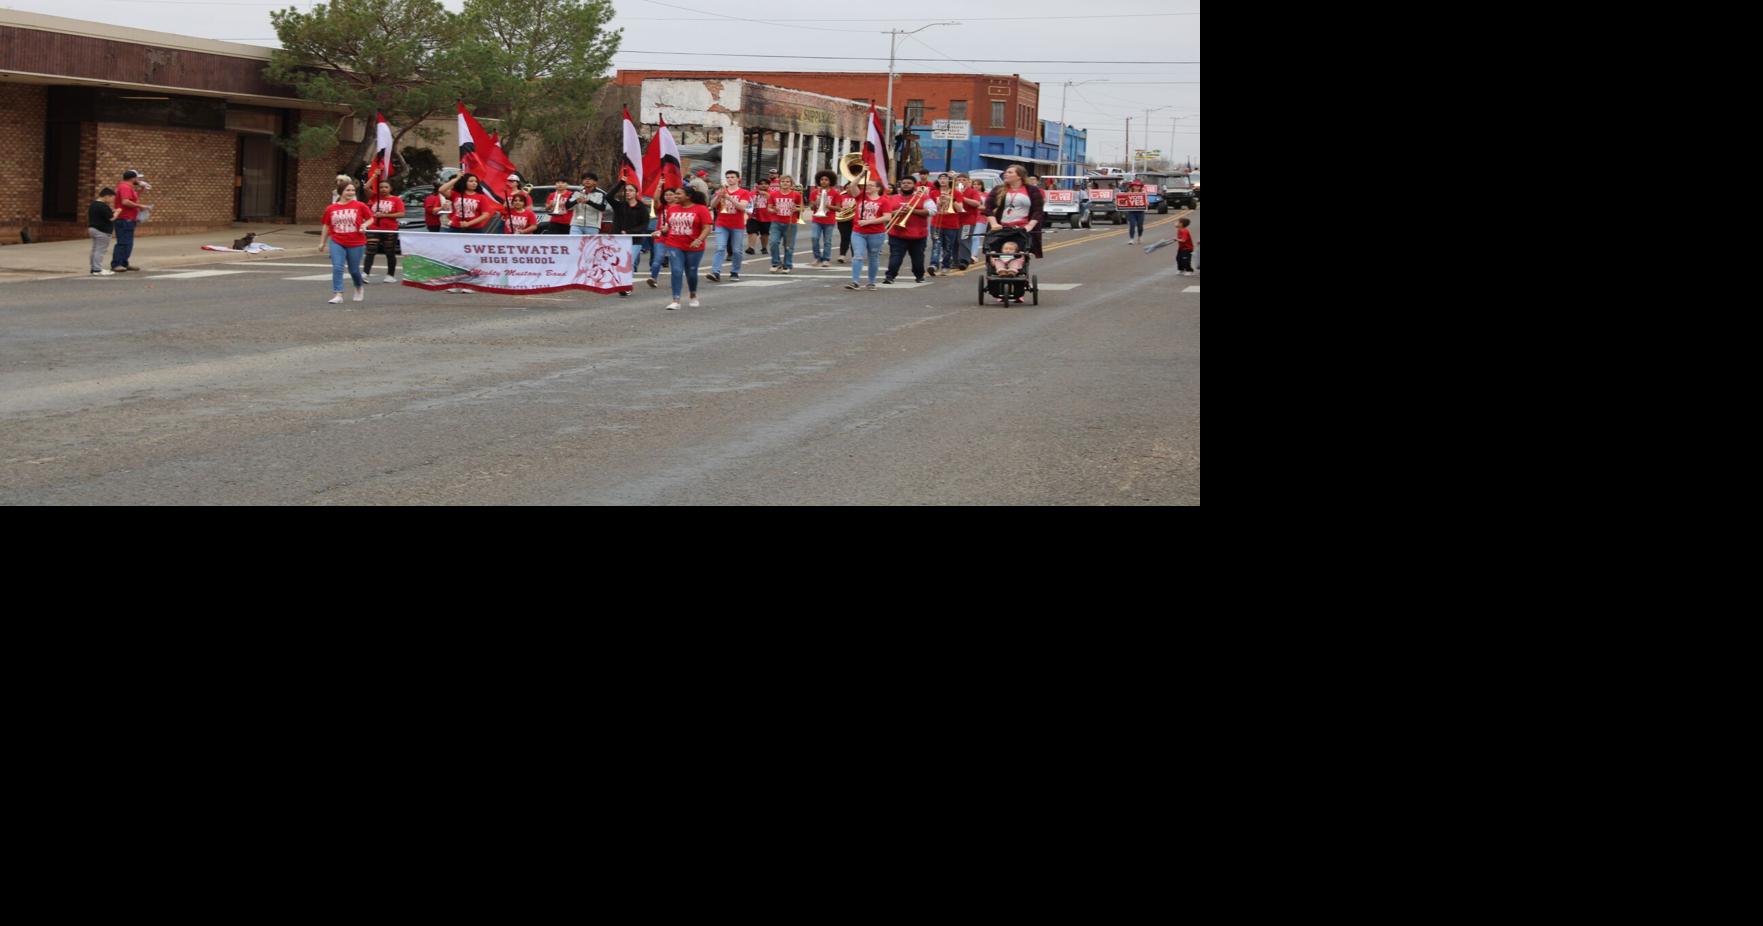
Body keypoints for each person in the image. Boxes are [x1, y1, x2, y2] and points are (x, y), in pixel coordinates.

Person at [659, 186, 713, 310]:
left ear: (688, 196)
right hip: (674, 244)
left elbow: (707, 227)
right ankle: (676, 300)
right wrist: (662, 231)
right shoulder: (672, 209)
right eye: (675, 194)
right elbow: (668, 227)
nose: (675, 196)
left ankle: (693, 295)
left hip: (693, 246)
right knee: (677, 270)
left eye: (678, 194)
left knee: (691, 272)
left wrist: (699, 240)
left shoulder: (701, 209)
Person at [319, 181, 373, 304]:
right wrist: (322, 242)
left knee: (354, 270)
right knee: (338, 267)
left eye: (353, 190)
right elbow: (326, 225)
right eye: (348, 190)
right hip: (337, 241)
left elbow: (371, 218)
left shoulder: (360, 205)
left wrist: (365, 224)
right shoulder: (331, 208)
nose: (351, 192)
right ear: (341, 192)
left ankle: (359, 287)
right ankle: (338, 294)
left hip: (356, 242)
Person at [883, 174, 933, 285]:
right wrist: (896, 212)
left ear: (915, 186)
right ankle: (890, 276)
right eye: (904, 183)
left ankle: (919, 276)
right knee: (895, 256)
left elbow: (932, 211)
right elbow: (884, 214)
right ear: (900, 185)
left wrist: (912, 210)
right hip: (897, 233)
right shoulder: (892, 198)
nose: (906, 185)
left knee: (918, 259)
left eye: (909, 183)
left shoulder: (923, 197)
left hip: (918, 235)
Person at [706, 170, 753, 283]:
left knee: (737, 250)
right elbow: (712, 206)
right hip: (722, 223)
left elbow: (742, 207)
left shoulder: (744, 192)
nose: (730, 179)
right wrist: (719, 197)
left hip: (737, 225)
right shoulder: (722, 191)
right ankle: (715, 272)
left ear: (738, 179)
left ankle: (734, 271)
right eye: (728, 177)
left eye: (732, 177)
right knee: (720, 247)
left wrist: (729, 198)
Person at [988, 164, 1044, 258]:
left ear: (1019, 176)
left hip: (1021, 229)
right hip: (1001, 228)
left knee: (1019, 253)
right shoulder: (998, 189)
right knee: (996, 252)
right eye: (1006, 172)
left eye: (1010, 172)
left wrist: (1029, 226)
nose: (1006, 174)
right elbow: (988, 207)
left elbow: (1038, 210)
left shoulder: (1032, 190)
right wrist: (993, 224)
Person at [844, 177, 889, 291]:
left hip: (876, 233)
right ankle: (855, 281)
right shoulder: (860, 196)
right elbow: (852, 186)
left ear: (878, 188)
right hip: (858, 232)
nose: (867, 187)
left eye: (871, 185)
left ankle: (871, 282)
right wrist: (861, 174)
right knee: (858, 255)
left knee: (873, 257)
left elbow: (887, 217)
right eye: (866, 185)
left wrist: (868, 222)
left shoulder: (884, 200)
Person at [609, 181, 652, 298]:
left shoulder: (641, 207)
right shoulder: (620, 205)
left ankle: (626, 286)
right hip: (619, 240)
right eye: (626, 190)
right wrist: (620, 184)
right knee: (620, 263)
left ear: (636, 193)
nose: (628, 192)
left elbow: (644, 224)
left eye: (631, 190)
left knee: (630, 263)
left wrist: (629, 231)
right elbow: (608, 197)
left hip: (634, 240)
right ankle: (621, 283)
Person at [362, 179, 405, 282]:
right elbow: (366, 187)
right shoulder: (375, 197)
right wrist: (374, 175)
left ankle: (390, 275)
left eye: (386, 187)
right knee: (370, 251)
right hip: (374, 228)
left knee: (389, 252)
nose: (383, 189)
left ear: (390, 189)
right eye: (381, 187)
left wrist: (385, 215)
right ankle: (365, 273)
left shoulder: (396, 200)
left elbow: (401, 213)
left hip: (390, 229)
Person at [929, 173, 969, 275]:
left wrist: (952, 199)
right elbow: (930, 208)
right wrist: (939, 202)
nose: (943, 180)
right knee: (936, 245)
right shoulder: (933, 192)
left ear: (950, 181)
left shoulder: (956, 193)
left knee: (948, 247)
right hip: (936, 222)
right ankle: (934, 264)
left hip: (951, 224)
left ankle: (946, 265)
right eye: (940, 178)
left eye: (945, 178)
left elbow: (960, 209)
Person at [110, 170, 145, 272]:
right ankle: (116, 264)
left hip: (129, 219)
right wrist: (140, 206)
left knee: (128, 243)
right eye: (137, 178)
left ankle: (124, 263)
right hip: (124, 218)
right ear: (133, 178)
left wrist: (143, 188)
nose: (138, 180)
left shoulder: (129, 187)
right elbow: (125, 201)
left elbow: (133, 198)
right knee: (123, 242)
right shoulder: (124, 187)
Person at [767, 174, 803, 273]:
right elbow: (769, 208)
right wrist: (773, 210)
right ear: (779, 183)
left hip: (791, 223)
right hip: (776, 222)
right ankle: (776, 263)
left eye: (787, 181)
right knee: (773, 242)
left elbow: (802, 208)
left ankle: (787, 265)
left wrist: (796, 208)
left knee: (788, 246)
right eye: (783, 181)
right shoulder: (773, 194)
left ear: (791, 183)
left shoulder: (796, 194)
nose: (785, 183)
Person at [808, 171, 839, 268]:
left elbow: (838, 208)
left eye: (826, 180)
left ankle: (826, 259)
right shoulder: (814, 193)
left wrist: (828, 205)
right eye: (821, 179)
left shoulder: (835, 193)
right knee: (814, 238)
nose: (823, 181)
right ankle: (817, 257)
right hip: (817, 219)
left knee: (827, 240)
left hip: (829, 220)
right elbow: (811, 208)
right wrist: (815, 203)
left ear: (830, 181)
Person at [747, 168, 778, 256]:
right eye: (761, 184)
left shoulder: (772, 193)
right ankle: (751, 248)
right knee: (752, 232)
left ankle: (764, 247)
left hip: (767, 217)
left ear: (769, 185)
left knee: (765, 233)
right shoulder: (752, 193)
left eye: (765, 184)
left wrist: (765, 194)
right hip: (753, 216)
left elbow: (774, 201)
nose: (763, 186)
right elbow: (748, 204)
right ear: (757, 185)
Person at [87, 188, 116, 276]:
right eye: (112, 198)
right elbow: (111, 218)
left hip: (93, 229)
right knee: (100, 250)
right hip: (102, 230)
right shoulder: (102, 206)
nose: (112, 200)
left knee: (95, 249)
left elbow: (103, 214)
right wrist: (118, 212)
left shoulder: (93, 205)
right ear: (107, 196)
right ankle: (97, 269)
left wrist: (112, 211)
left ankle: (94, 268)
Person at [965, 179, 989, 270]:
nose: (976, 186)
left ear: (982, 185)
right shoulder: (970, 194)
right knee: (967, 237)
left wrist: (976, 206)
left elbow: (987, 207)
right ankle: (967, 255)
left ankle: (974, 255)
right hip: (970, 217)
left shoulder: (986, 195)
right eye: (974, 184)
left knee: (975, 236)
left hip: (981, 218)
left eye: (978, 184)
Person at [835, 177, 858, 264]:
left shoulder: (858, 197)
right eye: (848, 187)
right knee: (845, 237)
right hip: (843, 220)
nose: (849, 189)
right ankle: (842, 255)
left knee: (854, 238)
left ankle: (854, 255)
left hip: (855, 220)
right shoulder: (841, 196)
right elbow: (837, 207)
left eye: (851, 187)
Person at [1122, 179, 1146, 245]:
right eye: (1135, 186)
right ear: (1132, 186)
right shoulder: (1129, 193)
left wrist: (1147, 203)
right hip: (1131, 212)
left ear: (1140, 187)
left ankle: (1140, 236)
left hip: (1140, 212)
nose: (1137, 187)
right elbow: (1123, 200)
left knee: (1140, 225)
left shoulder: (1143, 194)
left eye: (1138, 186)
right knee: (1132, 225)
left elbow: (1146, 202)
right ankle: (1131, 239)